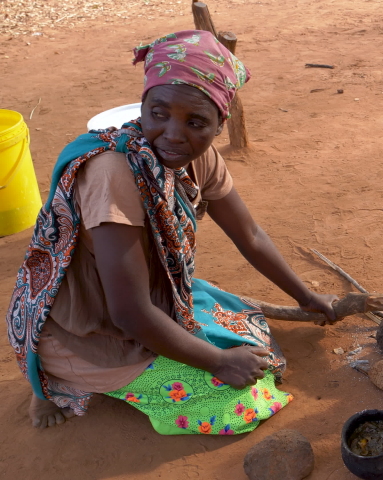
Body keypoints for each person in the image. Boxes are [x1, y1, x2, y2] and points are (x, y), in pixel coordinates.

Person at [6, 30, 338, 434]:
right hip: (89, 329)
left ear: (219, 125)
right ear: (142, 106)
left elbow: (248, 233)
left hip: (144, 299)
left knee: (251, 335)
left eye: (195, 122)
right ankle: (54, 380)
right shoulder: (115, 173)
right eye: (159, 113)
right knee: (245, 402)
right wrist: (219, 362)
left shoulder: (199, 159)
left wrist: (305, 297)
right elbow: (128, 313)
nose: (174, 133)